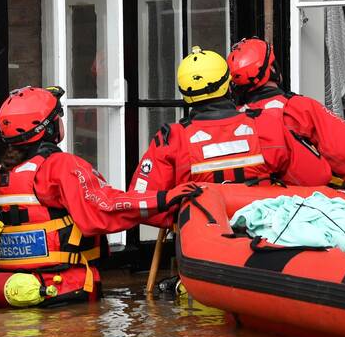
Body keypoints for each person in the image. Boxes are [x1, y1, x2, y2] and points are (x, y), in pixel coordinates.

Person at [0, 85, 198, 307]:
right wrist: (163, 198)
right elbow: (103, 208)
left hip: (13, 292)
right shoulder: (60, 166)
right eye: (59, 116)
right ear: (49, 128)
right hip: (63, 290)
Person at [131, 48, 316, 224]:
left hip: (202, 239)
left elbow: (142, 202)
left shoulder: (170, 139)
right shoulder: (265, 124)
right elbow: (313, 176)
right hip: (264, 233)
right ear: (228, 85)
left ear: (185, 94)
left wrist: (179, 215)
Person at [227, 37, 345, 184]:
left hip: (248, 203)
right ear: (273, 70)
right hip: (301, 202)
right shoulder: (300, 108)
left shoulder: (232, 118)